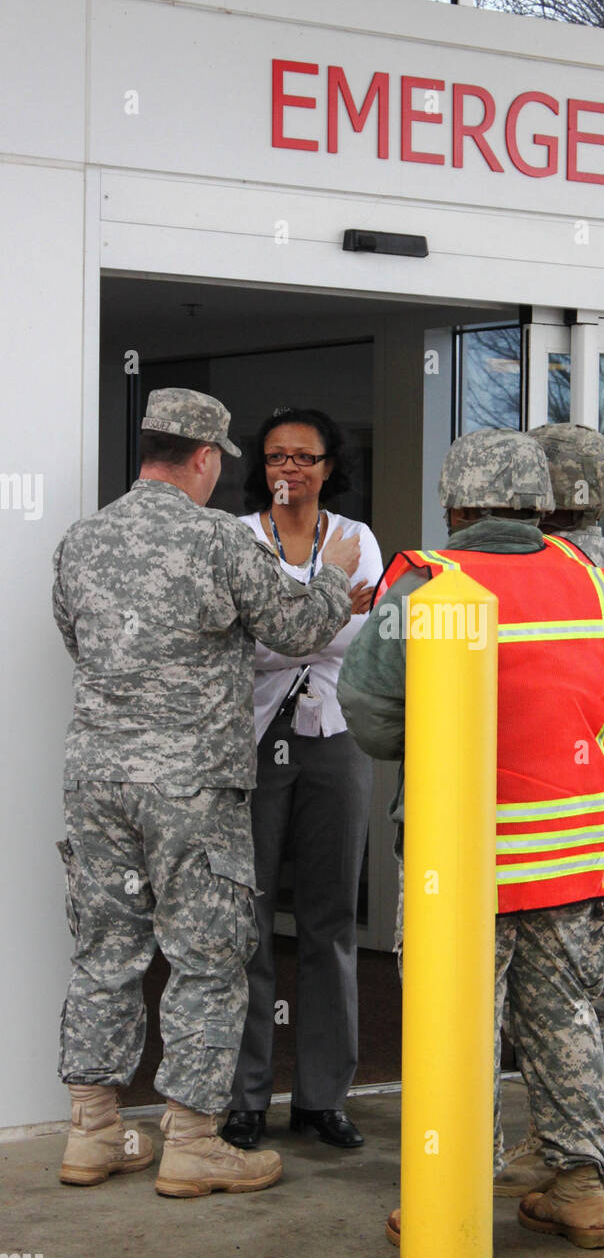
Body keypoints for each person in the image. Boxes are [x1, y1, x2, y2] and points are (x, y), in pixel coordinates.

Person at [52, 387, 359, 1197]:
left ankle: (92, 1133)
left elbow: (75, 637)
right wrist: (332, 578)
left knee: (105, 954)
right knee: (207, 960)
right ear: (202, 458)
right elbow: (295, 630)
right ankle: (190, 1142)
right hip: (193, 787)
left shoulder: (83, 540)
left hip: (97, 780)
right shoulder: (219, 540)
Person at [337, 427, 604, 1249]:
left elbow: (366, 711)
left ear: (456, 502)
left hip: (460, 854)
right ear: (539, 502)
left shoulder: (434, 581)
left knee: (455, 1013)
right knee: (566, 1014)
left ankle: (449, 1193)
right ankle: (580, 1190)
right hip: (574, 845)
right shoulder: (596, 580)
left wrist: (440, 742)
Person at [493, 423, 604, 1200]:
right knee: (594, 983)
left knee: (551, 993)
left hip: (559, 808)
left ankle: (560, 1144)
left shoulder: (553, 575)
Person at [221, 407, 382, 1152]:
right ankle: (246, 1096)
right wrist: (320, 615)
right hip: (249, 741)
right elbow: (242, 643)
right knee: (247, 922)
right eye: (277, 457)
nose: (290, 469)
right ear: (261, 467)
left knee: (328, 921)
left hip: (335, 737)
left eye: (305, 458)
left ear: (327, 467)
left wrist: (294, 625)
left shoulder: (357, 539)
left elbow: (362, 635)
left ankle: (321, 1098)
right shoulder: (234, 537)